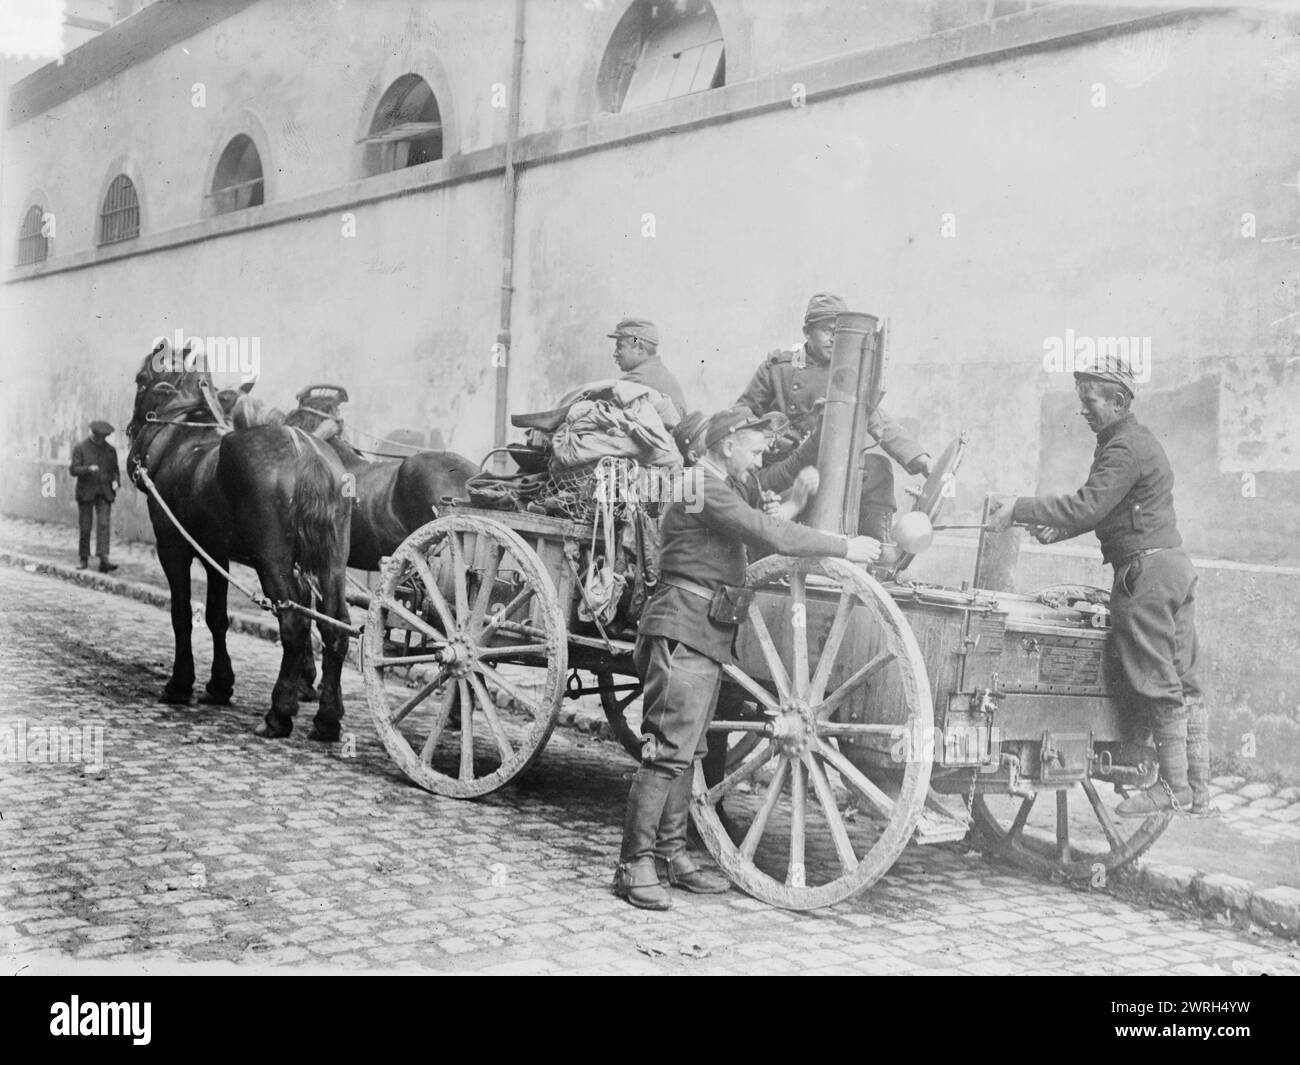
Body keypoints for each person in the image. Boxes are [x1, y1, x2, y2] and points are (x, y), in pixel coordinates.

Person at [614, 405, 882, 909]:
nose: (760, 462)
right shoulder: (699, 486)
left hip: (705, 629)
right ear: (727, 443)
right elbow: (770, 534)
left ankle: (671, 855)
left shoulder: (723, 484)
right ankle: (633, 864)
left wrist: (799, 493)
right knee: (668, 750)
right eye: (755, 451)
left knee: (689, 750)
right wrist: (844, 545)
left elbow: (769, 514)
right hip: (683, 627)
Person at [986, 361, 1216, 818]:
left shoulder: (1124, 447)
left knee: (1157, 681)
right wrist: (1059, 530)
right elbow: (1109, 510)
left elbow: (1088, 505)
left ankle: (1173, 791)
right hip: (1171, 567)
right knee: (1185, 682)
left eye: (1090, 402)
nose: (1084, 411)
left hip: (1145, 578)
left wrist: (1018, 508)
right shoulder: (1134, 442)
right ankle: (1199, 791)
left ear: (1118, 401)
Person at [736, 292, 933, 541]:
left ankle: (876, 551)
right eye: (826, 330)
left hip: (827, 466)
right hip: (785, 472)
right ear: (807, 332)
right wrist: (766, 435)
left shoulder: (846, 373)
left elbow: (876, 417)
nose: (833, 338)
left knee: (877, 468)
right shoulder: (778, 369)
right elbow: (740, 414)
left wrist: (920, 458)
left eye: (839, 332)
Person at [608, 318, 687, 424]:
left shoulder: (637, 379)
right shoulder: (661, 373)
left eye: (620, 347)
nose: (615, 353)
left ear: (640, 347)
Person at [69, 420, 120, 573]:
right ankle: (83, 558)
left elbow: (115, 470)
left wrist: (116, 482)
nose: (101, 441)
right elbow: (73, 469)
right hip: (86, 492)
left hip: (104, 493)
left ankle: (103, 559)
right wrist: (88, 469)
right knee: (85, 526)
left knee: (104, 525)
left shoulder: (110, 450)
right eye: (99, 437)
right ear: (93, 434)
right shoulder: (80, 448)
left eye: (104, 438)